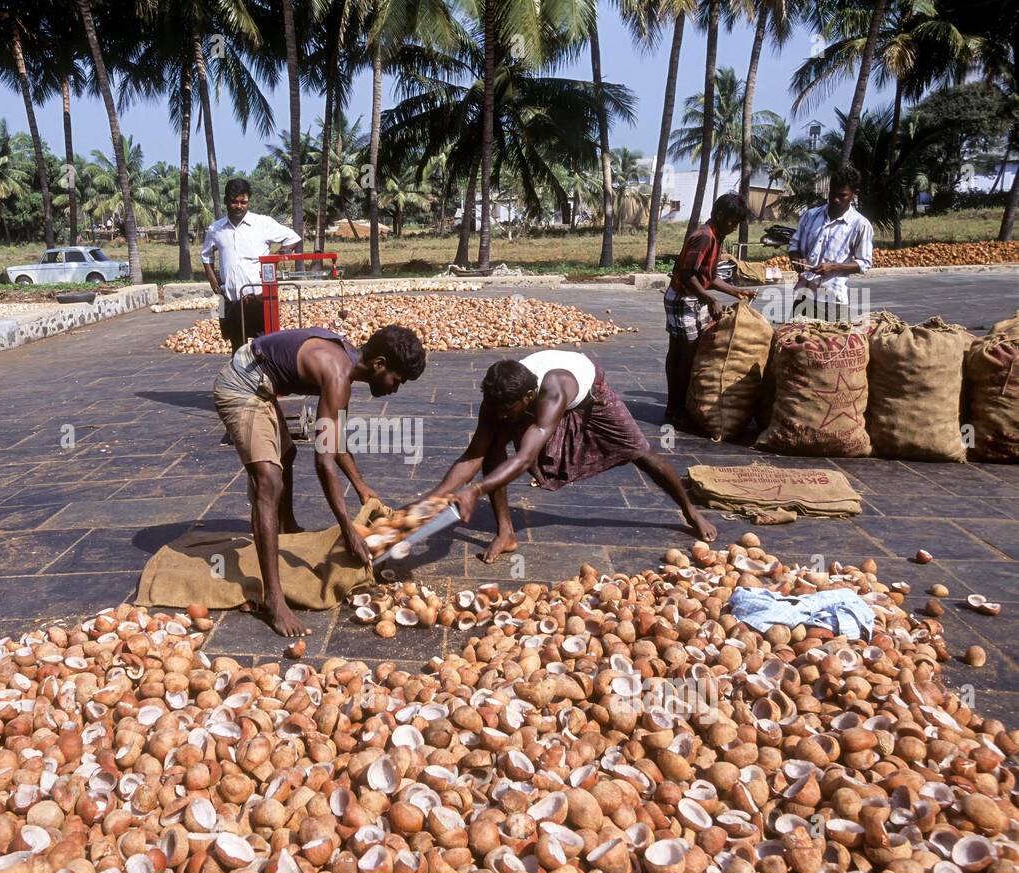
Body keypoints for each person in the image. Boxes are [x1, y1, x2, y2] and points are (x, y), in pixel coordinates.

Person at [213, 324, 426, 636]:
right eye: (397, 379)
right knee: (269, 479)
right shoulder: (338, 374)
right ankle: (274, 600)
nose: (395, 388)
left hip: (262, 383)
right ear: (379, 364)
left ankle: (284, 530)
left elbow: (333, 439)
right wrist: (348, 528)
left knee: (285, 457)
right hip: (241, 386)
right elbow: (323, 459)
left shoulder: (346, 367)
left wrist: (360, 485)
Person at [423, 351, 717, 563]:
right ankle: (506, 532)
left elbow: (526, 458)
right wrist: (432, 499)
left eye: (507, 410)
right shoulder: (499, 398)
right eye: (497, 409)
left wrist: (475, 490)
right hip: (535, 403)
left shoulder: (554, 388)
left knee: (641, 451)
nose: (500, 416)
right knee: (492, 449)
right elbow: (474, 454)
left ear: (528, 398)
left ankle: (689, 510)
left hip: (592, 394)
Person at [663, 193, 757, 427]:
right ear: (719, 215)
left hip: (690, 296)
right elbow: (687, 274)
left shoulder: (717, 236)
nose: (734, 227)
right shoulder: (704, 237)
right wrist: (709, 300)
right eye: (731, 221)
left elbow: (709, 277)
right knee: (685, 355)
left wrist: (736, 292)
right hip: (683, 298)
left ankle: (675, 405)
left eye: (737, 223)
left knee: (680, 352)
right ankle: (675, 408)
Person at [201, 178, 302, 354]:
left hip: (258, 296)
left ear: (248, 201)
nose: (239, 206)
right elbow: (205, 255)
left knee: (264, 345)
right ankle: (240, 380)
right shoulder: (215, 229)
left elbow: (293, 238)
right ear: (226, 201)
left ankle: (266, 379)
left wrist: (275, 259)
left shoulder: (262, 223)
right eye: (234, 202)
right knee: (236, 346)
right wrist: (211, 277)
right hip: (229, 297)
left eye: (243, 202)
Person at [788, 166, 874, 322]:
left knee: (832, 345)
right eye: (833, 193)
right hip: (803, 296)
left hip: (833, 302)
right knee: (794, 342)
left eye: (843, 195)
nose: (836, 199)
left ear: (853, 195)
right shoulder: (810, 216)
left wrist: (833, 267)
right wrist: (798, 259)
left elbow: (864, 263)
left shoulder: (860, 224)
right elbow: (793, 247)